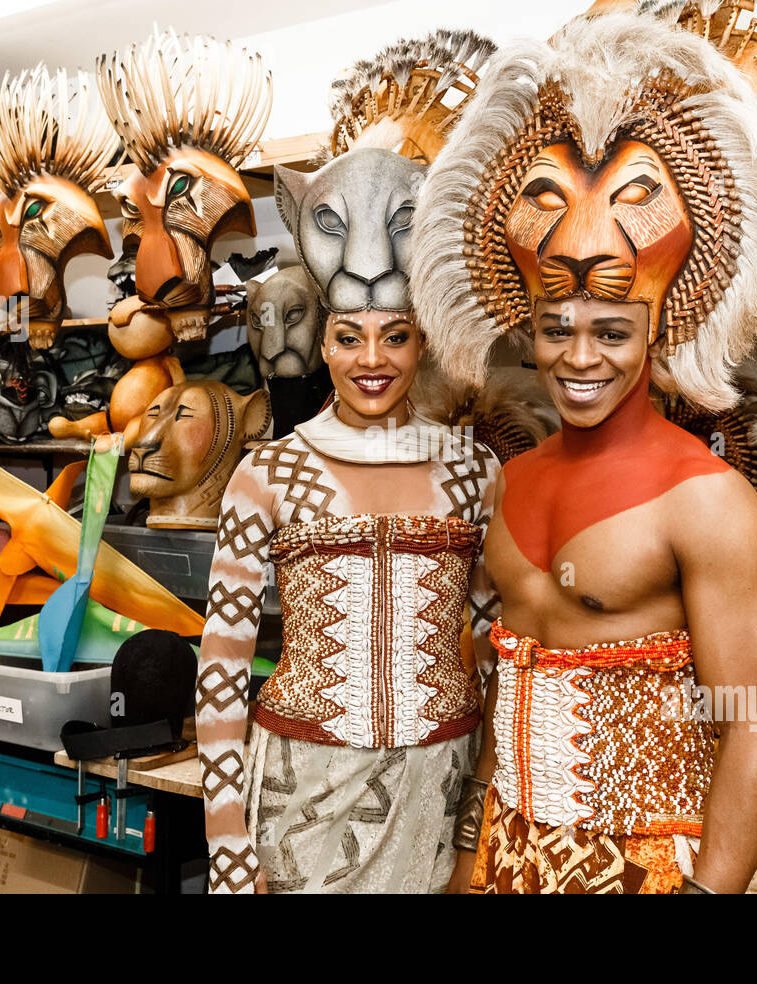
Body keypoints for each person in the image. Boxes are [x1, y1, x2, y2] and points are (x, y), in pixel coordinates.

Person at [412, 8, 757, 893]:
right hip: (507, 860)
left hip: (648, 870)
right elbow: (503, 696)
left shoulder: (707, 501)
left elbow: (753, 723)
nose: (580, 358)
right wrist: (472, 863)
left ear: (659, 325)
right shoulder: (508, 482)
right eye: (556, 329)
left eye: (612, 329)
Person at [196, 31, 505, 894]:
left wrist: (480, 809)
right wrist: (226, 843)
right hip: (300, 793)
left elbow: (489, 645)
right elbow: (220, 669)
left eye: (396, 336)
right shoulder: (266, 474)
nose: (373, 357)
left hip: (435, 791)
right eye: (349, 335)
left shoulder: (472, 471)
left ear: (423, 345)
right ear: (322, 343)